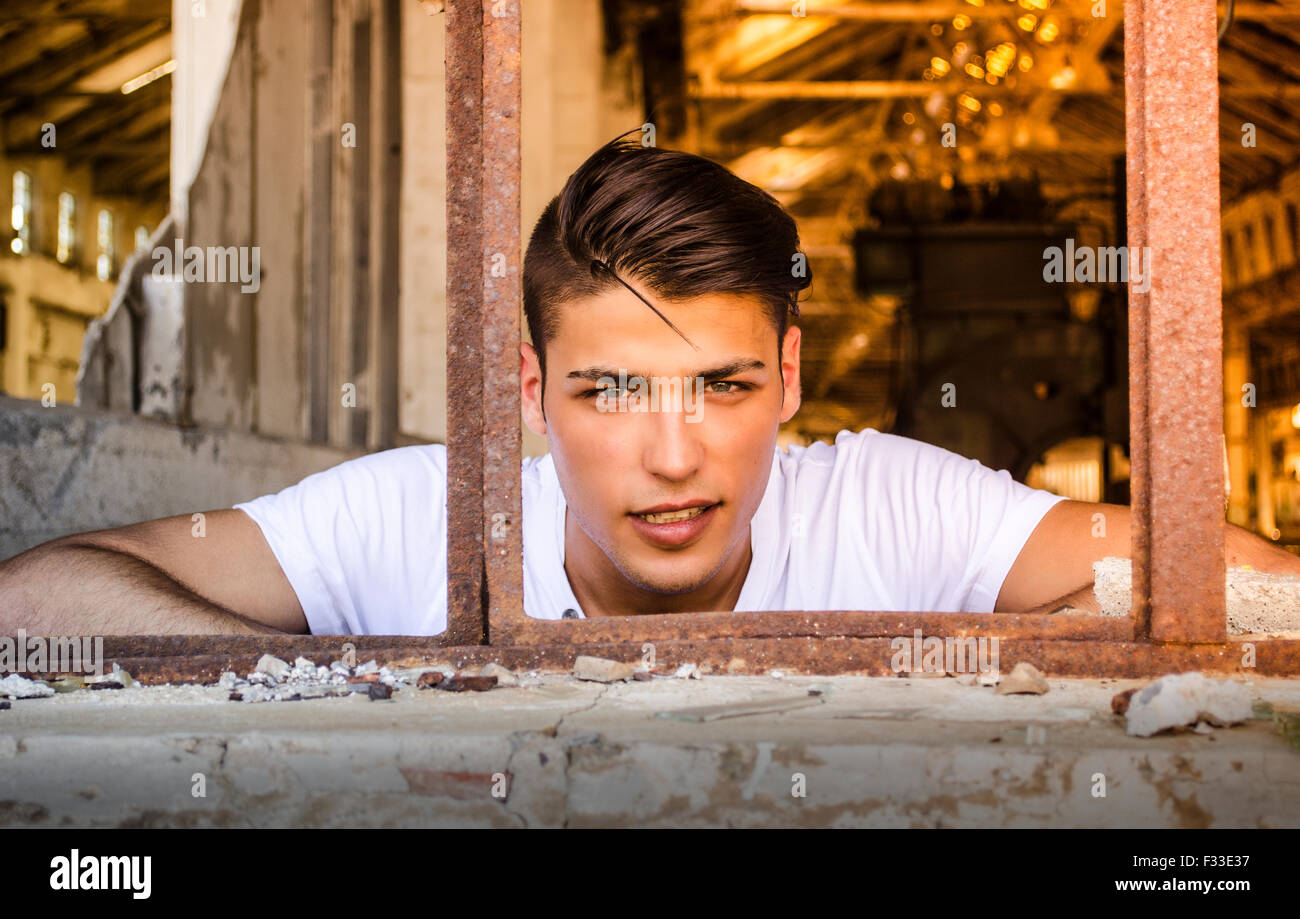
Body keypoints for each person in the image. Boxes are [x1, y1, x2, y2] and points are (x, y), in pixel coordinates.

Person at [3, 134, 1297, 635]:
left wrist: (975, 658)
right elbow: (35, 597)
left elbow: (1261, 581)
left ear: (790, 378)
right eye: (613, 393)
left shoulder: (889, 508)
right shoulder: (420, 518)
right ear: (530, 388)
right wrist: (333, 693)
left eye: (722, 387)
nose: (674, 458)